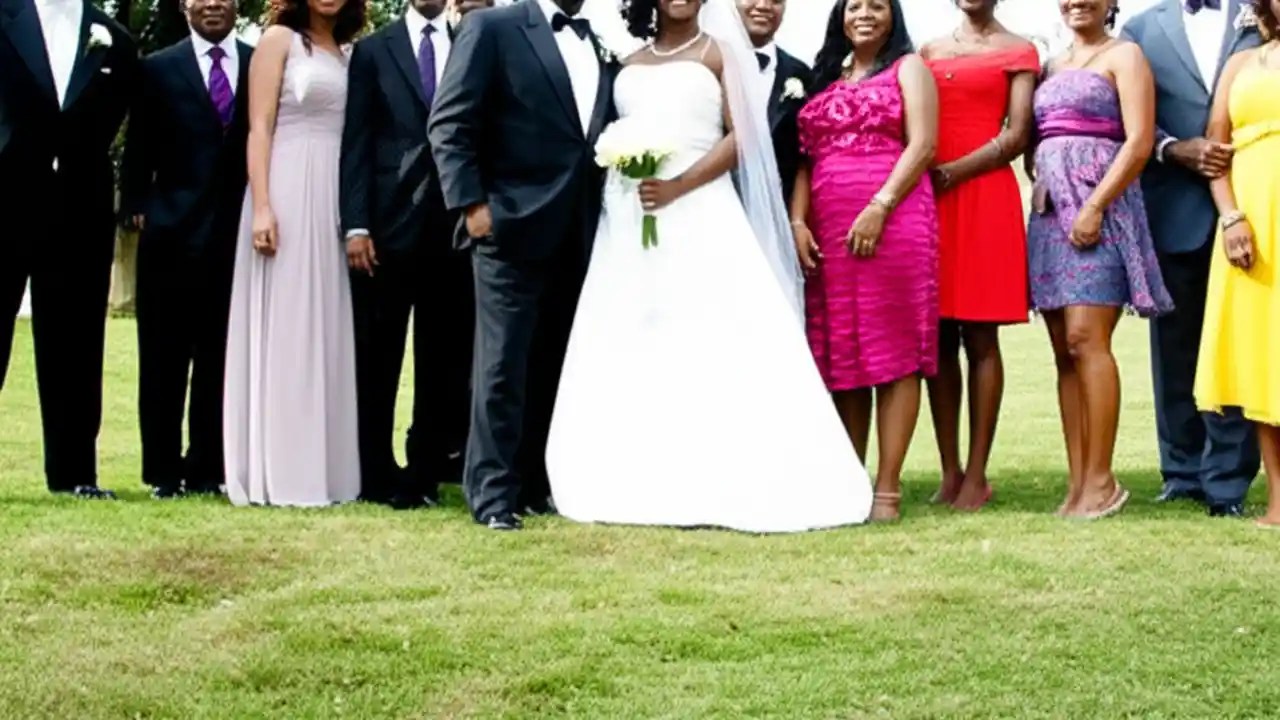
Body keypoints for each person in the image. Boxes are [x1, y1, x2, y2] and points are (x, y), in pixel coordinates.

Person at [543, 0, 872, 533]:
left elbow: (743, 137)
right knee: (635, 333)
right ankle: (634, 469)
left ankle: (722, 469)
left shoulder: (721, 54)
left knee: (709, 332)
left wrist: (679, 185)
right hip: (629, 219)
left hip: (699, 207)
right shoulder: (626, 60)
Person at [429, 0, 614, 530]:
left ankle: (533, 483)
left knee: (551, 363)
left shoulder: (597, 40)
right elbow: (449, 121)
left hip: (578, 230)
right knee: (501, 366)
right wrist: (473, 207)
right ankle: (490, 494)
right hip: (509, 224)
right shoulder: (492, 27)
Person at [793, 0, 939, 522]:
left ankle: (888, 488)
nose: (865, 13)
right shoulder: (823, 76)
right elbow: (806, 161)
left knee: (895, 348)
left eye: (877, 5)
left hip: (895, 222)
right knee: (843, 351)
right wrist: (797, 221)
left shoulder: (910, 68)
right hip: (829, 233)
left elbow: (923, 144)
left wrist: (879, 206)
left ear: (893, 16)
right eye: (855, 5)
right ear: (840, 16)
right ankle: (849, 480)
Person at [1027, 0, 1172, 519]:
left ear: (1112, 4)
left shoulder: (1126, 56)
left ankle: (1103, 479)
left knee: (1087, 338)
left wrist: (1092, 206)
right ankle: (1078, 481)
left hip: (1101, 210)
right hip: (1048, 216)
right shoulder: (1051, 64)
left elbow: (1137, 143)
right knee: (1063, 350)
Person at [1121, 0, 1262, 517]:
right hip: (1172, 207)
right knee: (1175, 347)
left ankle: (1228, 476)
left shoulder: (1259, 17)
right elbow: (1127, 112)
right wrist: (1172, 148)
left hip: (1252, 209)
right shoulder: (1139, 28)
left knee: (1238, 346)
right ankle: (1180, 471)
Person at [222, 0, 365, 507]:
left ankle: (325, 468)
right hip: (284, 184)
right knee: (287, 322)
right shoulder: (278, 41)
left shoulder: (349, 53)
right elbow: (258, 127)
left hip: (334, 194)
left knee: (325, 325)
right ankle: (278, 466)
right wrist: (262, 205)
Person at [0, 0, 138, 499]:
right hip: (6, 198)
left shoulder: (113, 38)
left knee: (76, 343)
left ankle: (76, 473)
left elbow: (114, 118)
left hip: (80, 210)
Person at [341, 0, 472, 510]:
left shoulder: (472, 42)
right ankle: (374, 472)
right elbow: (355, 141)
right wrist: (355, 225)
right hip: (386, 228)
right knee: (378, 358)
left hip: (453, 229)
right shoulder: (374, 51)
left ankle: (423, 473)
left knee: (441, 360)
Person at [120, 0, 252, 499]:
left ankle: (207, 468)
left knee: (219, 358)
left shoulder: (257, 59)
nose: (212, 3)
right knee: (162, 359)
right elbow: (138, 146)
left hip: (233, 237)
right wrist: (135, 204)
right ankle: (161, 471)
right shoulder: (158, 67)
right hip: (169, 234)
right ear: (185, 5)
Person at [920, 1, 1038, 511]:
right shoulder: (926, 51)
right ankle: (948, 470)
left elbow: (1016, 135)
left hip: (984, 193)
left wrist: (955, 172)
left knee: (980, 334)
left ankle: (978, 474)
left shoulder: (1020, 50)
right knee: (938, 337)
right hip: (929, 198)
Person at [1195, 0, 1280, 528]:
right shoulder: (1242, 63)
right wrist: (1231, 219)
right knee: (1261, 358)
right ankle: (1277, 499)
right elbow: (1216, 149)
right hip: (1254, 225)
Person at [738, 0, 810, 205]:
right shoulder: (711, 65)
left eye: (775, 0)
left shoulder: (801, 73)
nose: (763, 6)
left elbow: (805, 157)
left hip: (780, 207)